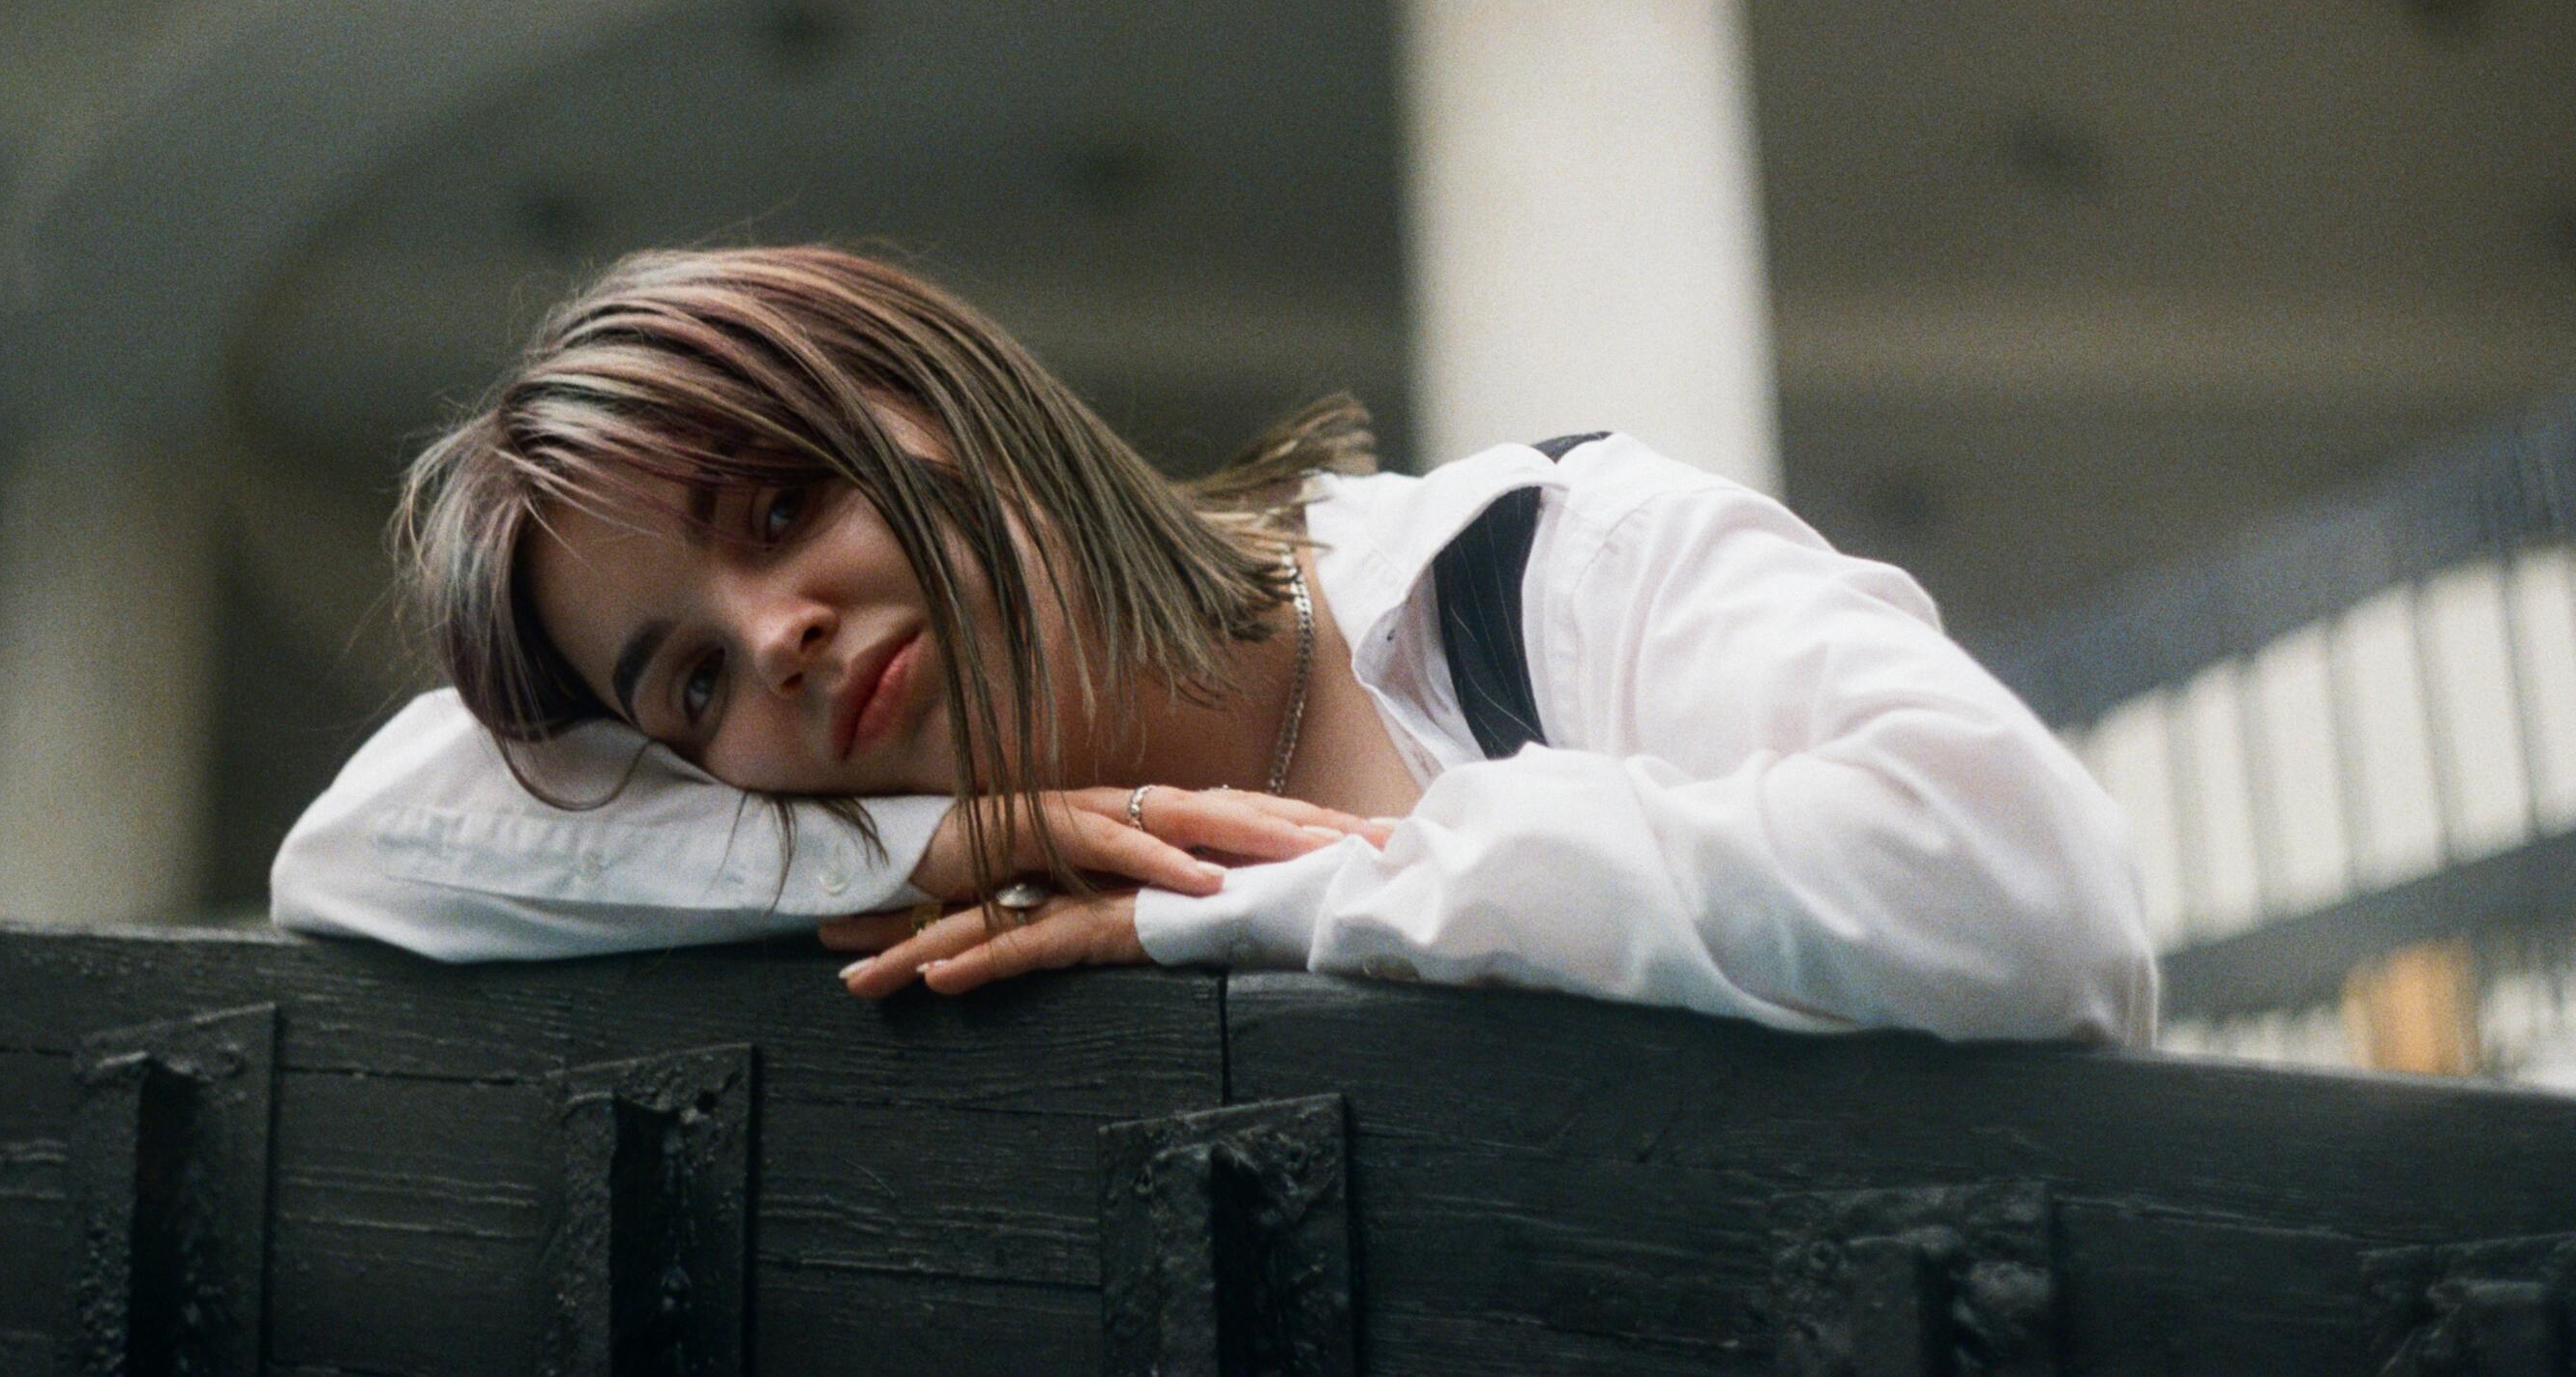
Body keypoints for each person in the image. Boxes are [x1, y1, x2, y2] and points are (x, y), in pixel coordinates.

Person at [272, 246, 2157, 1043]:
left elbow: (2026, 887)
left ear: (940, 393)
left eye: (781, 508)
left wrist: (1335, 892)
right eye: (682, 680)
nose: (772, 637)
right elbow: (353, 850)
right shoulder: (871, 857)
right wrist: (919, 846)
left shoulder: (1524, 573)